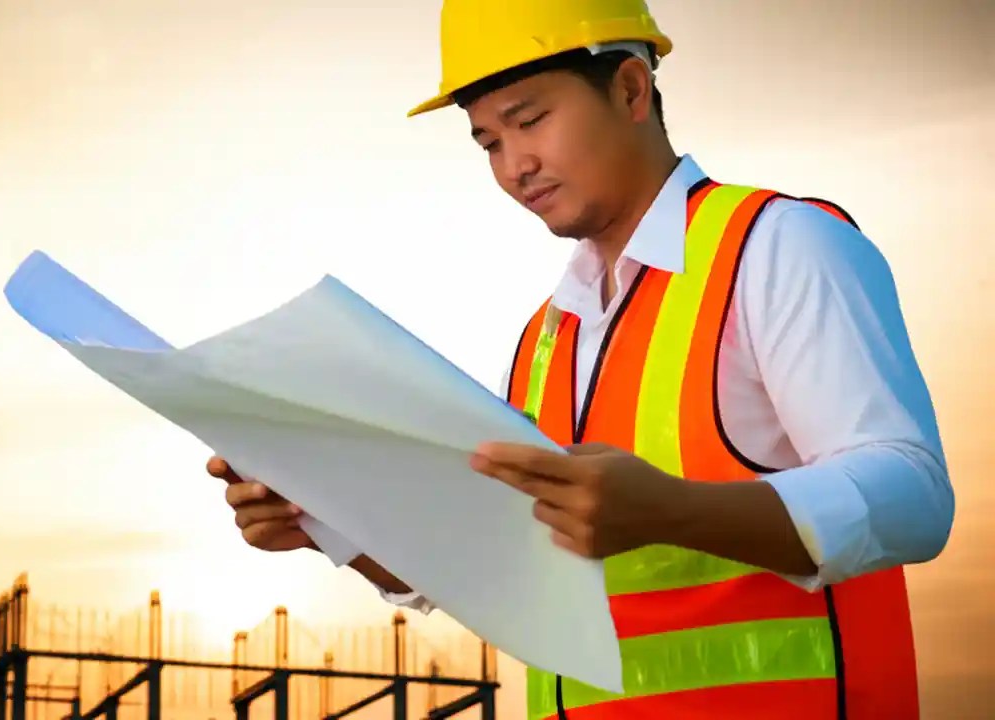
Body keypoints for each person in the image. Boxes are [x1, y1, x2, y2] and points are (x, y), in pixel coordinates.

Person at [206, 1, 954, 717]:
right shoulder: (544, 341)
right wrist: (328, 527)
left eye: (530, 120)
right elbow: (509, 572)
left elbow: (912, 495)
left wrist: (672, 510)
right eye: (490, 142)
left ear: (630, 88)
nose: (514, 166)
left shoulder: (778, 246)